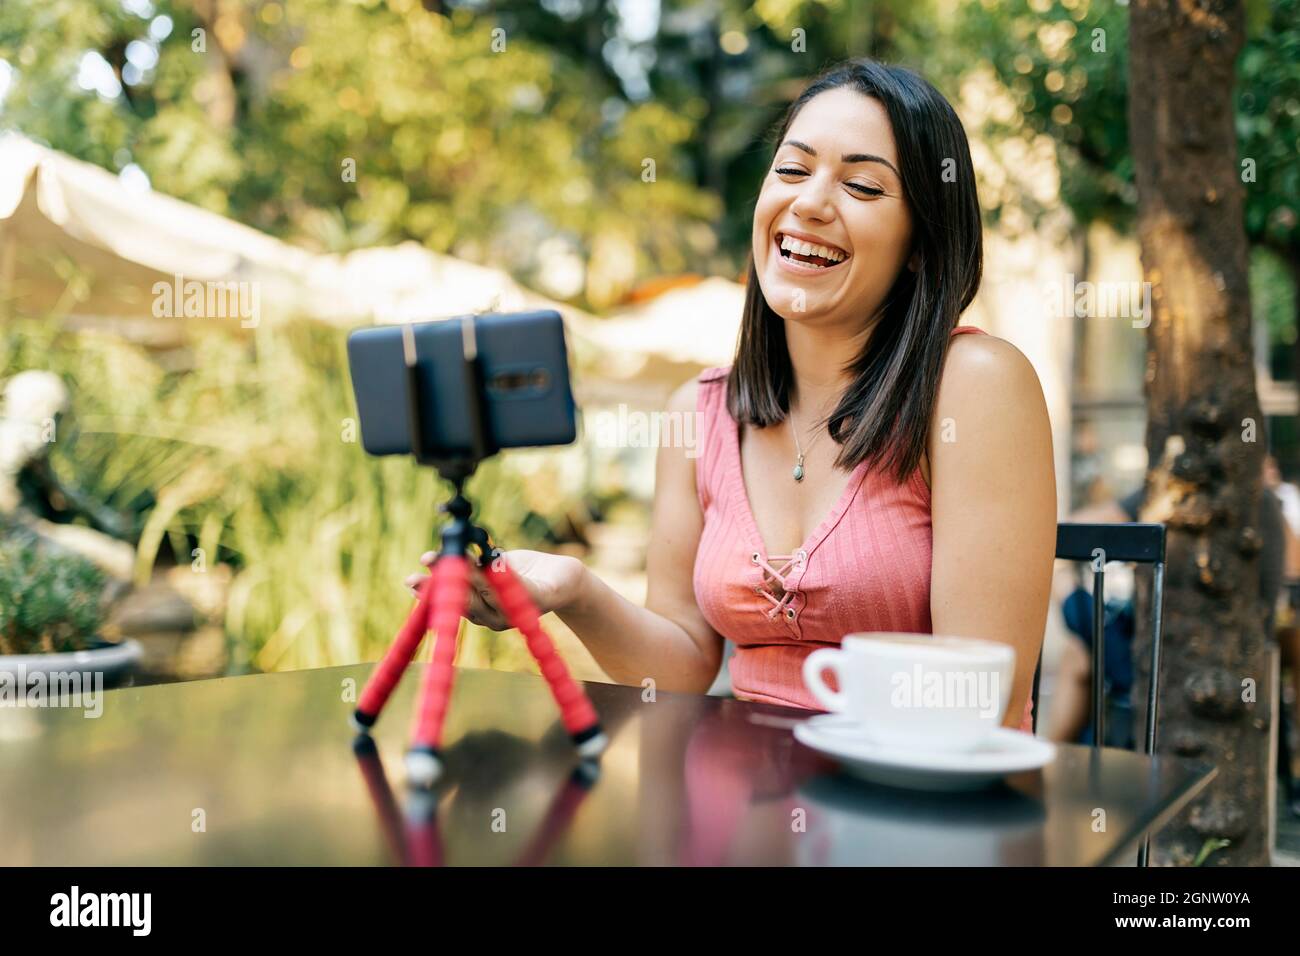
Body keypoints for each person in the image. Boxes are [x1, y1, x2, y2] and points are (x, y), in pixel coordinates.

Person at [406, 59, 1058, 733]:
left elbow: (986, 700)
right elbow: (683, 670)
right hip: (739, 815)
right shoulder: (700, 412)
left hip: (920, 806)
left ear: (922, 244)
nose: (809, 202)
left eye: (862, 185)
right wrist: (570, 589)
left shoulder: (975, 385)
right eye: (793, 169)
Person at [1049, 468, 1287, 752]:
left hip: (1161, 658)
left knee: (1072, 626)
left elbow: (1080, 527)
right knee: (1078, 654)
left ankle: (1046, 754)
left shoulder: (1181, 486)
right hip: (1244, 657)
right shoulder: (1266, 502)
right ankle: (1052, 752)